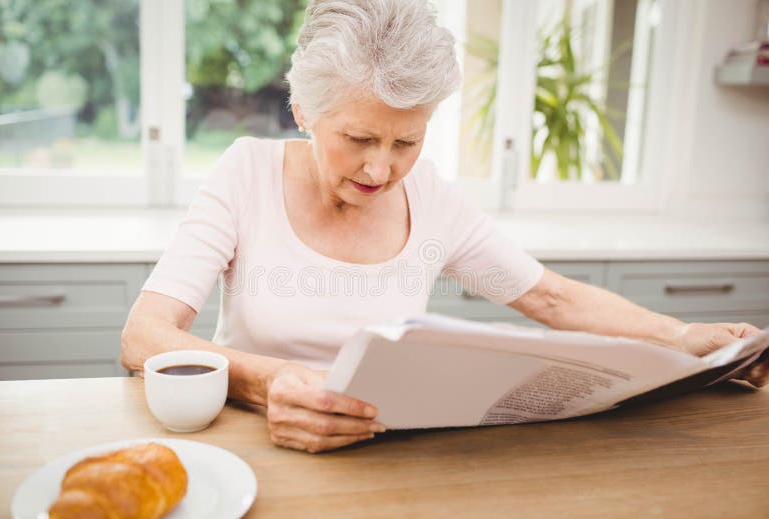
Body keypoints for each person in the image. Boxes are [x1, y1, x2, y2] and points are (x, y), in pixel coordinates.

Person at [121, 0, 768, 454]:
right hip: (255, 447)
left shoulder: (430, 200)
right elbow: (145, 336)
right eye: (358, 137)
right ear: (302, 112)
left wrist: (688, 339)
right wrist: (267, 386)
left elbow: (550, 297)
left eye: (407, 140)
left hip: (389, 454)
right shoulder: (246, 174)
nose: (382, 168)